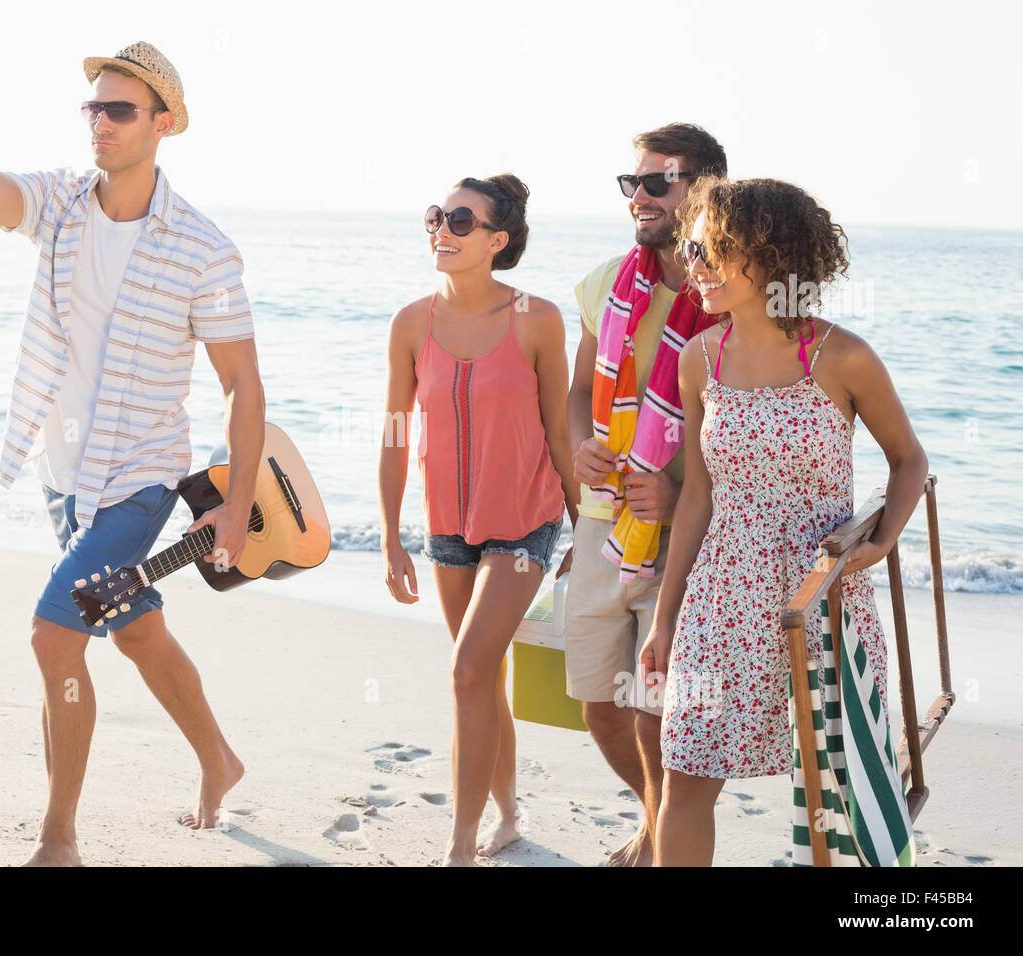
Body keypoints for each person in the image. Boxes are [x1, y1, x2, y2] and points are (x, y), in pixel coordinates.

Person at [0, 41, 265, 866]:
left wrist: (237, 495)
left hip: (140, 478)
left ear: (165, 124)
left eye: (119, 109)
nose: (100, 123)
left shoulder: (204, 249)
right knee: (136, 633)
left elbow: (243, 387)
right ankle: (220, 761)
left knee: (54, 638)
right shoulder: (62, 204)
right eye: (93, 108)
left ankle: (59, 840)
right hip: (64, 480)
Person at [638, 176, 928, 866]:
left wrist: (883, 541)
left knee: (841, 781)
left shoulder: (842, 357)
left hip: (821, 599)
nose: (695, 266)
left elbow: (908, 460)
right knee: (687, 774)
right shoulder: (699, 357)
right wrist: (665, 615)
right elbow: (699, 500)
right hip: (721, 600)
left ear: (768, 256)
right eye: (692, 249)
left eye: (712, 251)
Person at [380, 175, 580, 866]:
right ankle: (506, 816)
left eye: (461, 220)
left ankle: (461, 847)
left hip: (526, 519)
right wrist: (389, 537)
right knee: (482, 677)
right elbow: (395, 435)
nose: (443, 229)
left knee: (467, 669)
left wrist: (586, 531)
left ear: (498, 240)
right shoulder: (411, 323)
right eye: (438, 216)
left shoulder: (538, 319)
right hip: (447, 528)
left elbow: (560, 427)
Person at [563, 123, 727, 865]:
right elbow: (575, 397)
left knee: (661, 714)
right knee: (602, 710)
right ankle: (658, 822)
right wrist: (578, 448)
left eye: (658, 181)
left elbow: (745, 422)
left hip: (687, 538)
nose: (641, 196)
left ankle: (668, 842)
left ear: (704, 189)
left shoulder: (730, 293)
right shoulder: (605, 284)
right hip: (604, 527)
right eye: (633, 182)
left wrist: (682, 488)